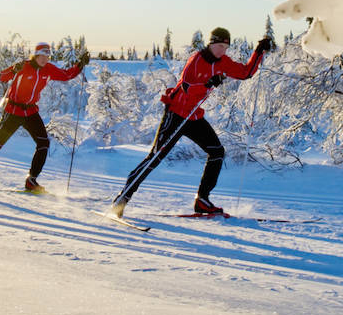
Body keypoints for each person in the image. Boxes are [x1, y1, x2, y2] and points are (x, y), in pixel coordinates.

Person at [110, 27, 273, 217]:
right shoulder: (196, 60)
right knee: (156, 157)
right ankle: (123, 198)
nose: (223, 51)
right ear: (211, 44)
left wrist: (259, 51)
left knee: (217, 152)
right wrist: (209, 83)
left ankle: (202, 200)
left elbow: (245, 73)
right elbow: (187, 86)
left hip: (194, 116)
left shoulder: (223, 62)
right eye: (220, 46)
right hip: (176, 113)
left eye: (226, 47)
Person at [0, 42, 88, 196]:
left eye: (47, 56)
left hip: (31, 112)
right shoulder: (23, 66)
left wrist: (80, 65)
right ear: (36, 55)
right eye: (42, 56)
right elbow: (2, 77)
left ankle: (31, 181)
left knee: (43, 143)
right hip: (13, 112)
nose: (45, 59)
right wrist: (14, 70)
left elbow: (66, 75)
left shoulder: (49, 69)